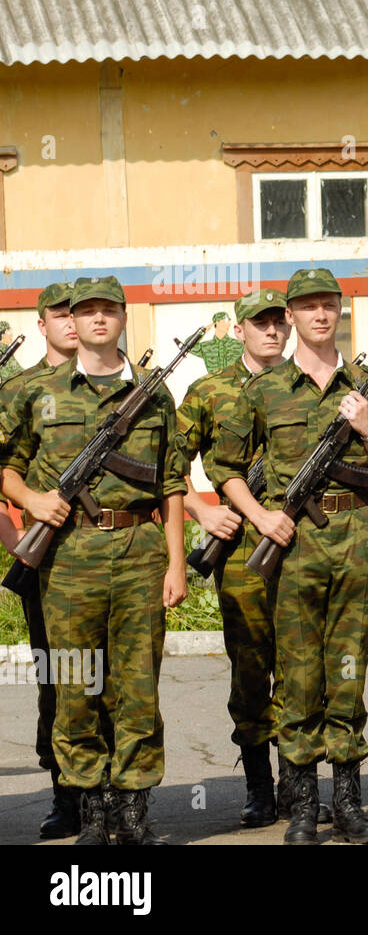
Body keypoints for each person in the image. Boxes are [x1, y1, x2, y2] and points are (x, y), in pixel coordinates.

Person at [210, 267, 368, 845]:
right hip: (291, 548)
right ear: (289, 315)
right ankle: (302, 805)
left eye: (329, 305)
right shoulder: (262, 391)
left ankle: (347, 801)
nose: (321, 315)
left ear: (340, 311)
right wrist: (262, 516)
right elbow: (225, 469)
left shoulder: (367, 386)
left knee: (348, 670)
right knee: (296, 674)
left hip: (353, 540)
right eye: (308, 306)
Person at [1, 275, 189, 844]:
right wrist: (31, 500)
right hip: (66, 558)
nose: (98, 320)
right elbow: (5, 465)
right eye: (87, 313)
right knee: (75, 684)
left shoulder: (153, 395)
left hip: (137, 553)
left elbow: (172, 485)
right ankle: (88, 810)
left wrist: (177, 564)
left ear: (124, 318)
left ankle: (133, 812)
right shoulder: (32, 392)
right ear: (72, 323)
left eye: (109, 310)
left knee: (137, 687)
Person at [175, 287, 300, 828]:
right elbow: (166, 461)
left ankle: (299, 783)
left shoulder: (307, 386)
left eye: (278, 321)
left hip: (300, 543)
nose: (271, 331)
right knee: (251, 665)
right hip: (240, 550)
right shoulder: (210, 390)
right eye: (260, 323)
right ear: (240, 329)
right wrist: (203, 513)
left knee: (300, 665)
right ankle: (258, 786)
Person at [0, 282, 85, 838]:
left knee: (108, 683)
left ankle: (111, 798)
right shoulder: (20, 390)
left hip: (110, 559)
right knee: (57, 678)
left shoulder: (121, 385)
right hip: (46, 562)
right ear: (41, 323)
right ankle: (64, 794)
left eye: (80, 313)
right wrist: (18, 545)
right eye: (61, 314)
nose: (73, 323)